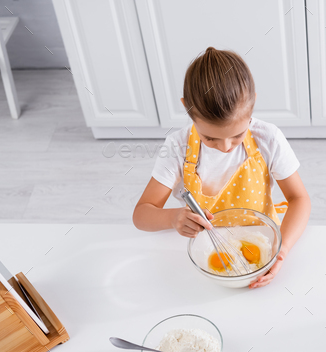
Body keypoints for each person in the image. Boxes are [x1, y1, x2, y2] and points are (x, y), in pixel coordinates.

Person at [133, 47, 311, 288]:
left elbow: (299, 199)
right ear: (187, 108)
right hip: (207, 250)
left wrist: (281, 251)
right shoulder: (178, 146)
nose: (226, 147)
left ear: (253, 104)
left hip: (262, 243)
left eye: (238, 135)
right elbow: (142, 215)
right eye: (210, 138)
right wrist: (174, 217)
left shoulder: (268, 139)